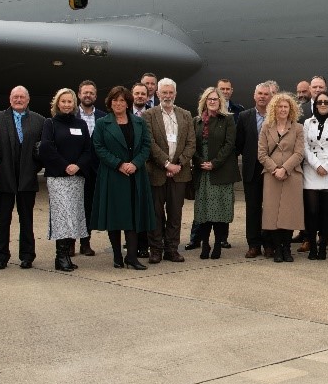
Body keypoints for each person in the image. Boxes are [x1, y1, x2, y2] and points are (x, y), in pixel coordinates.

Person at [91, 85, 155, 270]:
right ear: (110, 102)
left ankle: (132, 257)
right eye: (115, 100)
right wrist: (119, 164)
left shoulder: (139, 122)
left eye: (122, 100)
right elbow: (99, 147)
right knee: (115, 216)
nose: (118, 104)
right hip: (113, 175)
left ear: (128, 103)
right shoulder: (103, 123)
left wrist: (134, 163)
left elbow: (146, 146)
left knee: (133, 217)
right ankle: (117, 256)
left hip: (135, 174)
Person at [0, 86, 45, 269]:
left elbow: (42, 149)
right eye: (15, 97)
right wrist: (0, 168)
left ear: (28, 100)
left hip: (27, 177)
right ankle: (0, 255)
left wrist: (34, 168)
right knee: (3, 218)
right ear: (10, 99)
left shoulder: (39, 120)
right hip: (4, 177)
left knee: (26, 219)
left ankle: (27, 255)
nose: (18, 100)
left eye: (22, 97)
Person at [40, 88, 94, 272]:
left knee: (74, 214)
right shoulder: (50, 123)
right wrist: (65, 166)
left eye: (69, 101)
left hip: (77, 177)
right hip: (58, 177)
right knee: (62, 215)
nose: (66, 105)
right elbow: (47, 148)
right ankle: (61, 256)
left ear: (74, 104)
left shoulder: (80, 124)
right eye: (63, 101)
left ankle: (66, 255)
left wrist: (78, 165)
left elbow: (88, 149)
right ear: (57, 103)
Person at [145, 78, 195, 264]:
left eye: (170, 92)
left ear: (175, 94)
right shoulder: (149, 115)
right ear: (157, 94)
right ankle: (156, 250)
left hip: (179, 173)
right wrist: (166, 164)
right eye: (164, 92)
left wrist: (179, 164)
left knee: (175, 214)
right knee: (156, 214)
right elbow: (149, 143)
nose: (167, 96)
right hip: (157, 172)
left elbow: (191, 143)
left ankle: (172, 250)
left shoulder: (185, 115)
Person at [187, 87, 238, 259]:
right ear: (204, 101)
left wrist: (214, 163)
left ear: (220, 101)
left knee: (219, 213)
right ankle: (205, 244)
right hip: (203, 173)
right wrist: (201, 162)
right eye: (210, 99)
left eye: (215, 99)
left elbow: (230, 144)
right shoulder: (197, 121)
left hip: (220, 171)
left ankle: (217, 244)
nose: (212, 101)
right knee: (203, 212)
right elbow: (191, 144)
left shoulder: (228, 120)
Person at [258, 92, 305, 262]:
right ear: (274, 108)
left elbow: (299, 153)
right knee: (273, 214)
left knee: (289, 213)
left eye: (286, 106)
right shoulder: (266, 127)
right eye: (280, 106)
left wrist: (284, 169)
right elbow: (262, 154)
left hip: (292, 175)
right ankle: (277, 249)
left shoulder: (298, 128)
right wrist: (274, 169)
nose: (283, 109)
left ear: (291, 109)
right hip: (271, 176)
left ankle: (287, 249)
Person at [301, 91, 328, 260]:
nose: (323, 105)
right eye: (320, 102)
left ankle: (323, 248)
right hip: (311, 169)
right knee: (312, 212)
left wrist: (326, 166)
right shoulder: (307, 123)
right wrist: (317, 165)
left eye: (326, 102)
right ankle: (312, 246)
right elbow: (304, 147)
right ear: (315, 105)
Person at [236, 82, 273, 258]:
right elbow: (238, 144)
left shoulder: (276, 117)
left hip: (271, 169)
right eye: (259, 93)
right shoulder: (244, 116)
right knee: (253, 208)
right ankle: (253, 244)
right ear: (254, 95)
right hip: (251, 169)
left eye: (266, 94)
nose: (262, 96)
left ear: (271, 96)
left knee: (270, 208)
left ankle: (269, 243)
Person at [76, 80, 106, 257]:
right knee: (73, 207)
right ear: (79, 94)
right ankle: (69, 242)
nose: (88, 95)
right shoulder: (71, 114)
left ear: (95, 96)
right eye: (85, 92)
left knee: (88, 207)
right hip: (74, 169)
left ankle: (85, 242)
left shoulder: (103, 117)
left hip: (95, 171)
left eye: (91, 93)